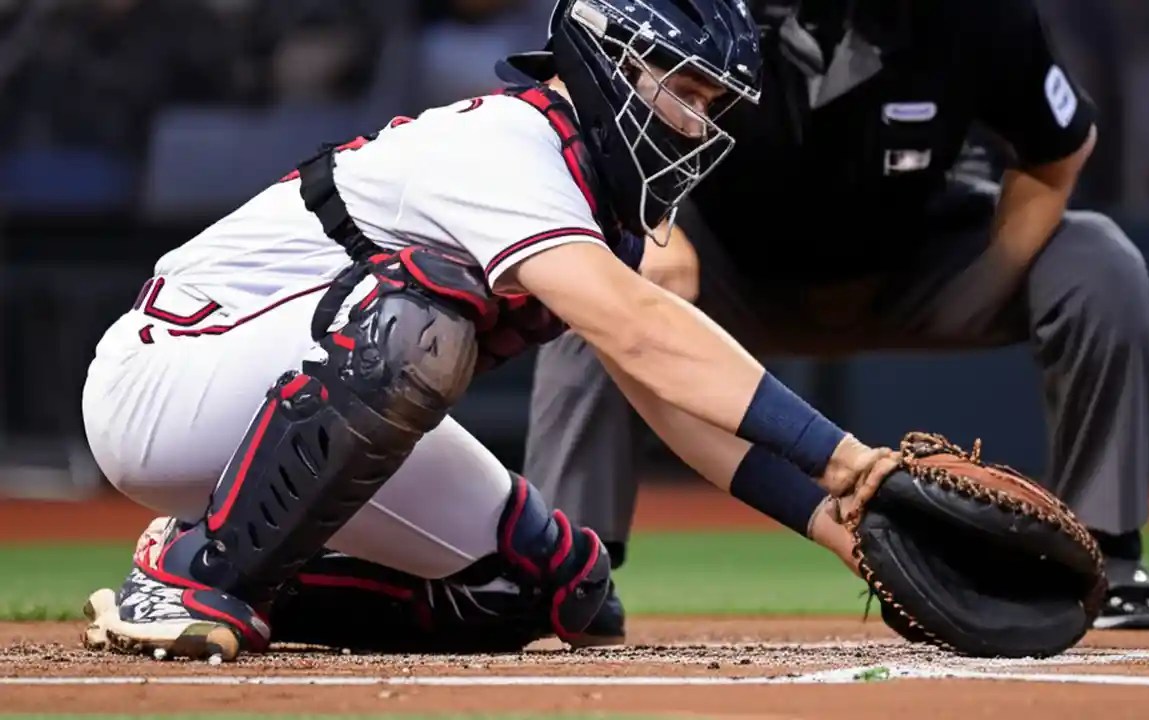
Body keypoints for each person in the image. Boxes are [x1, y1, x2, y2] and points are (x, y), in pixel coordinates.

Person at [78, 0, 900, 661]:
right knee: (413, 320)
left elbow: (670, 398)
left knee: (557, 586)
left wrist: (837, 523)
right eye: (682, 88)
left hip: (284, 396)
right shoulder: (511, 142)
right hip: (166, 383)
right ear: (609, 56)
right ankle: (196, 575)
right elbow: (649, 329)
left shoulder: (592, 201)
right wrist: (849, 459)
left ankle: (226, 562)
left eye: (711, 105)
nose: (694, 123)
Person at [523, 0, 1149, 633]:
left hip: (917, 260)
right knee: (600, 294)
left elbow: (1058, 150)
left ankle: (1110, 558)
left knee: (1099, 264)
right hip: (729, 267)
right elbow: (601, 97)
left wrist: (989, 279)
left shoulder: (978, 12)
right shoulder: (714, 4)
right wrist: (657, 225)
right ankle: (571, 569)